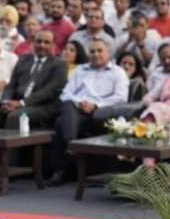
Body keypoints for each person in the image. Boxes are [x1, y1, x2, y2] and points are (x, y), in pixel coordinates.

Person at [47, 38, 129, 186]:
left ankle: (61, 168)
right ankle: (71, 145)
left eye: (100, 51)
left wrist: (96, 105)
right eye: (92, 51)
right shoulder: (80, 70)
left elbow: (121, 98)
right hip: (76, 110)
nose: (96, 54)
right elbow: (66, 93)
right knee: (67, 104)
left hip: (100, 112)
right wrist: (79, 103)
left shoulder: (118, 72)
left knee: (61, 123)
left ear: (108, 53)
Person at [0, 30, 67, 129]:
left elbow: (49, 92)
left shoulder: (59, 64)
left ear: (53, 45)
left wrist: (22, 103)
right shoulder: (24, 59)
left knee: (15, 117)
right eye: (39, 41)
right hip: (16, 103)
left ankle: (12, 144)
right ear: (33, 43)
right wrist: (5, 101)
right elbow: (11, 86)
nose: (42, 45)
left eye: (46, 42)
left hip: (42, 106)